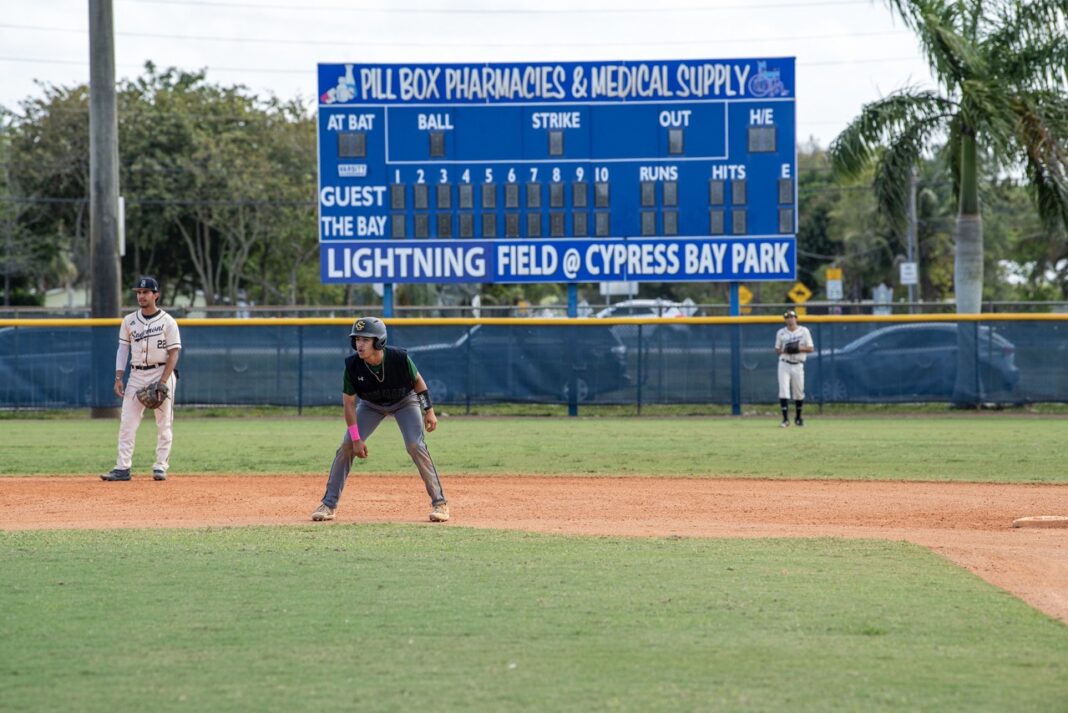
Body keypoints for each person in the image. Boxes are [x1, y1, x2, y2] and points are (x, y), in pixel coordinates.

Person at [311, 316, 449, 523]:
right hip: (371, 405)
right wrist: (357, 439)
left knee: (414, 445)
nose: (360, 344)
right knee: (347, 445)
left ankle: (440, 503)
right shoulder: (352, 366)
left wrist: (428, 410)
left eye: (366, 339)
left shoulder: (399, 358)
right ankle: (328, 505)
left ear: (379, 342)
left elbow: (418, 382)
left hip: (405, 401)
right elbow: (349, 404)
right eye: (357, 339)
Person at [101, 276, 182, 481]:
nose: (141, 296)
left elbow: (173, 354)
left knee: (164, 423)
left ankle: (160, 466)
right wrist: (119, 376)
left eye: (145, 292)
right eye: (138, 292)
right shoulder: (129, 321)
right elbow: (123, 349)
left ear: (156, 295)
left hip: (161, 372)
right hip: (136, 374)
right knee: (127, 422)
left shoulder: (167, 322)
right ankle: (122, 468)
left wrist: (163, 382)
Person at [774, 309, 814, 427]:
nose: (790, 319)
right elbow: (777, 349)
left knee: (799, 391)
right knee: (784, 390)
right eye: (787, 317)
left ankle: (798, 418)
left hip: (798, 364)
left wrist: (797, 348)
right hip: (784, 364)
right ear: (785, 320)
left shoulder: (804, 331)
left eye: (792, 317)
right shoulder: (781, 332)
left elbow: (811, 348)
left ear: (796, 318)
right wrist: (785, 350)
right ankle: (785, 419)